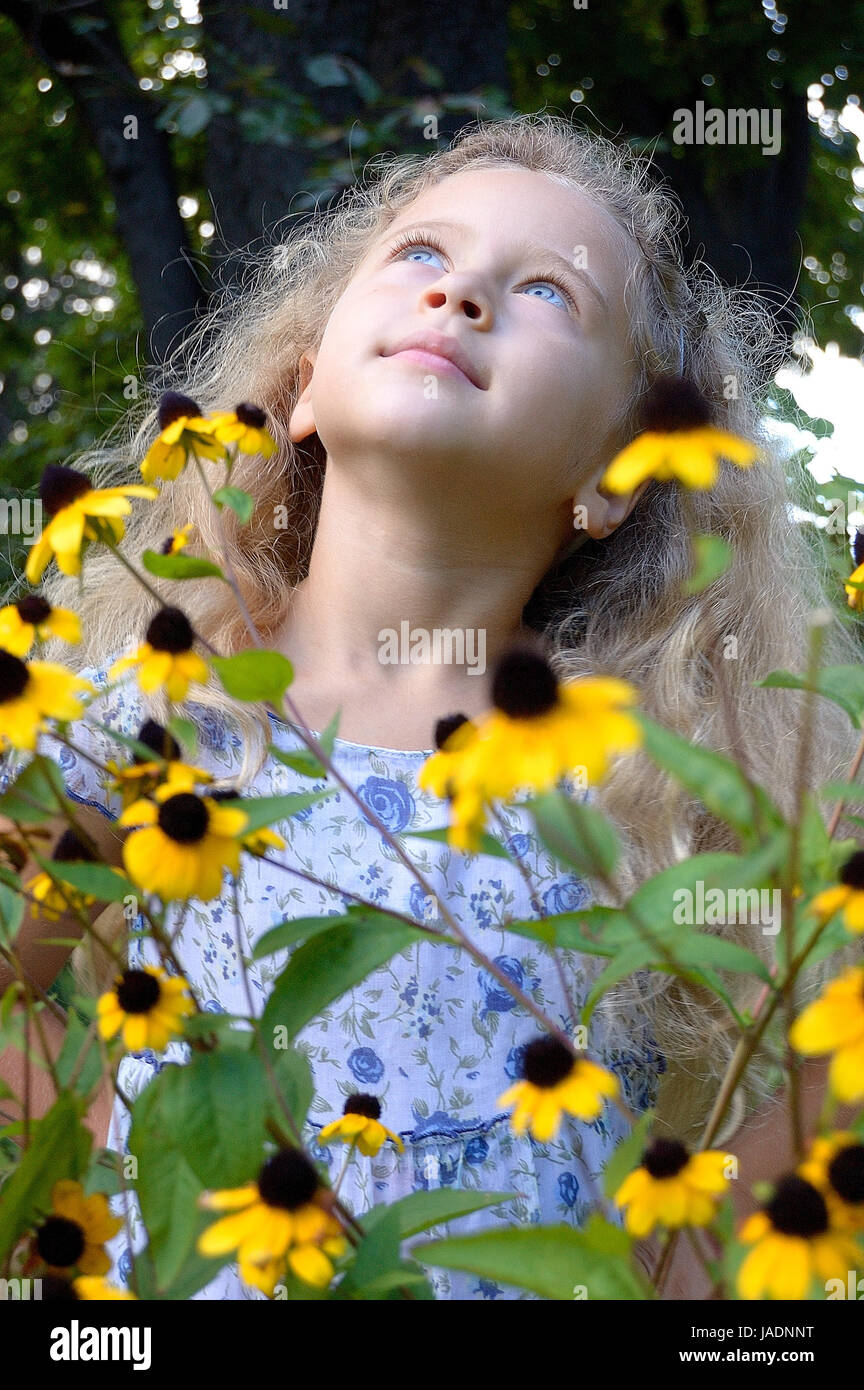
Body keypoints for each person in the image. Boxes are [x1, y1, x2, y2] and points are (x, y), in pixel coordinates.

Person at [0, 112, 860, 1300]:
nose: (460, 295)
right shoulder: (161, 717)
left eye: (551, 290)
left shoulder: (651, 777)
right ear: (299, 391)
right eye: (420, 254)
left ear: (617, 474)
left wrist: (682, 1271)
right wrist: (103, 1152)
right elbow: (16, 977)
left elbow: (831, 1063)